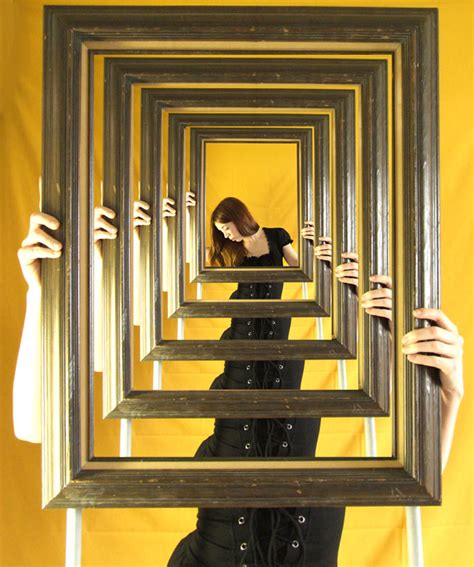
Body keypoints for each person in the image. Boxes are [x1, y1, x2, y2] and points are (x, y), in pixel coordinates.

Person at [14, 196, 463, 564]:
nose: (226, 235)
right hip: (248, 349)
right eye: (220, 230)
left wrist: (327, 271)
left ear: (239, 217)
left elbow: (301, 269)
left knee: (271, 401)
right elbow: (417, 478)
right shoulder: (232, 254)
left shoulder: (275, 237)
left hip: (274, 349)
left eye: (226, 226)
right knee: (260, 400)